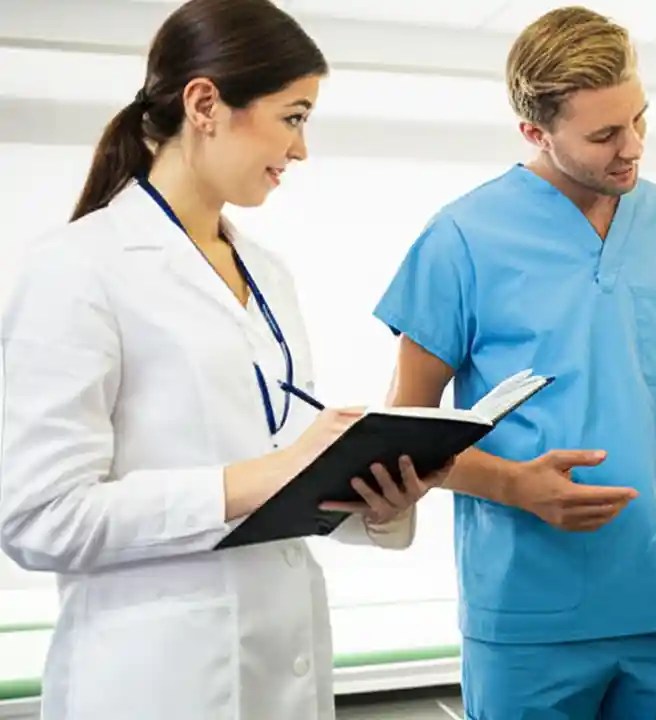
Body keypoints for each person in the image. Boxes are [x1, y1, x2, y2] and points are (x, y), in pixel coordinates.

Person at [0, 1, 449, 718]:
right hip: (151, 684)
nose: (302, 149)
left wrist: (375, 501)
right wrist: (262, 477)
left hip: (283, 672)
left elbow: (276, 459)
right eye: (294, 116)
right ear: (204, 103)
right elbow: (40, 518)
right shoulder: (78, 268)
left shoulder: (267, 272)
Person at [372, 6, 656, 718]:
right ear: (535, 132)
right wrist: (517, 485)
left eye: (640, 119)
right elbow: (404, 434)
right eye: (605, 134)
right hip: (528, 615)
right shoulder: (461, 238)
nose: (632, 146)